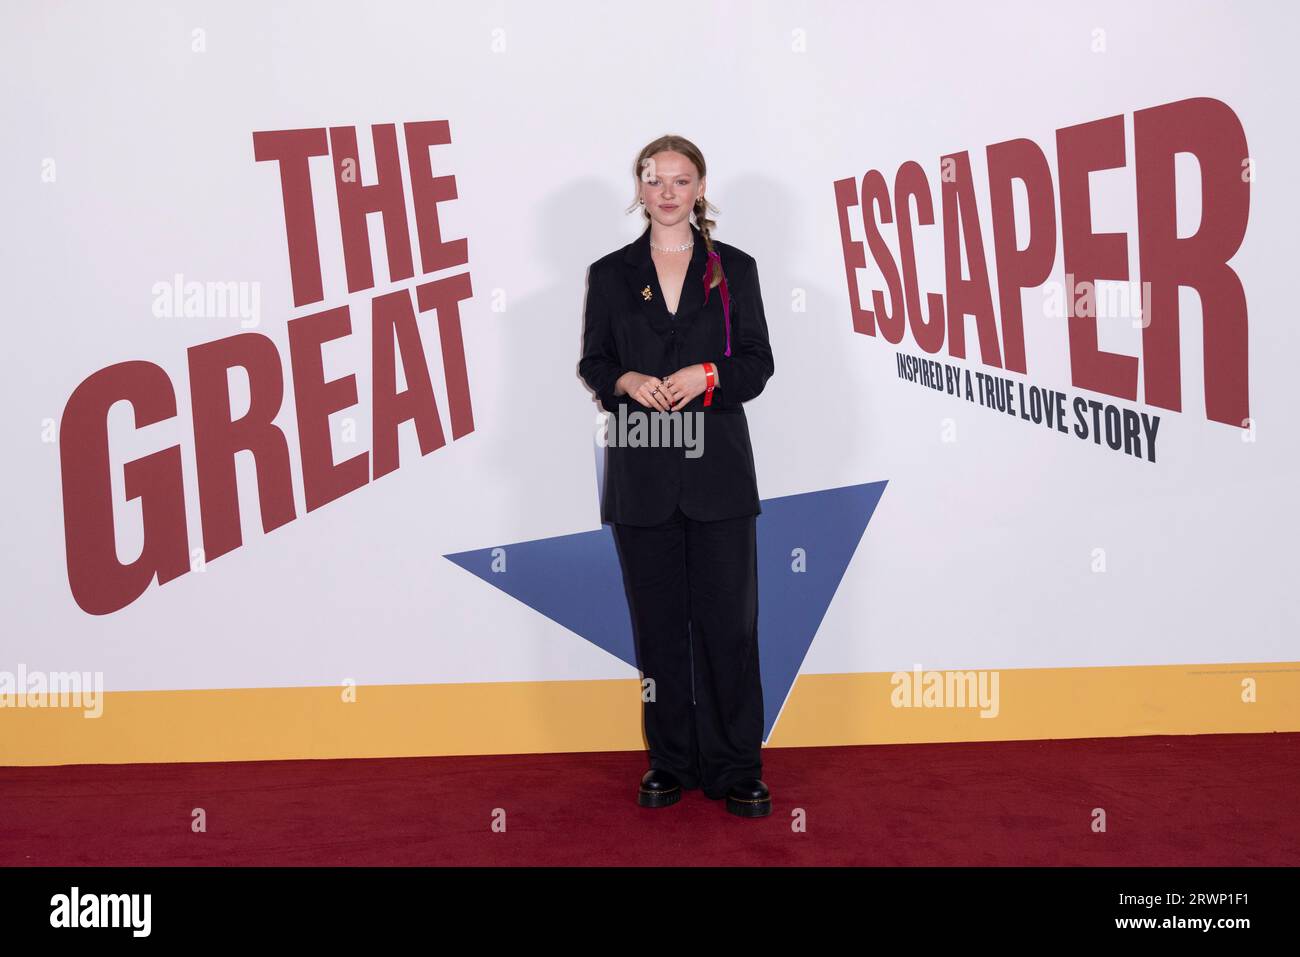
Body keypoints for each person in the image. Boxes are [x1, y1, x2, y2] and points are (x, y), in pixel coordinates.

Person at [577, 135, 775, 818]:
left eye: (681, 179)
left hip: (717, 472)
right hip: (643, 470)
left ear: (699, 188)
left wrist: (711, 374)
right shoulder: (609, 273)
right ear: (639, 187)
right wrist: (626, 378)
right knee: (659, 629)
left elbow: (757, 363)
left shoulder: (736, 269)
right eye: (654, 179)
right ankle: (670, 760)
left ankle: (737, 765)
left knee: (729, 626)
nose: (667, 191)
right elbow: (595, 364)